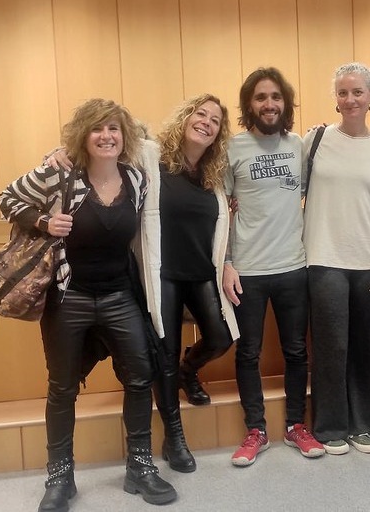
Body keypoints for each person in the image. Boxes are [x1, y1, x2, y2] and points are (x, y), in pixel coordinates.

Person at [46, 94, 239, 473]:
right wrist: (58, 153)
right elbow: (102, 151)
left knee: (221, 336)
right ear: (185, 118)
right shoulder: (150, 156)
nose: (206, 122)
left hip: (201, 272)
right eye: (200, 114)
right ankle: (174, 437)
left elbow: (222, 226)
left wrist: (228, 262)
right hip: (161, 273)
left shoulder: (215, 176)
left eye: (215, 120)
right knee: (162, 355)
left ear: (219, 133)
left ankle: (190, 369)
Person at [0, 99, 177, 512]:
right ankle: (60, 477)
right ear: (83, 135)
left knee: (139, 376)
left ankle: (139, 466)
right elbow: (7, 198)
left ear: (125, 136)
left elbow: (159, 156)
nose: (106, 136)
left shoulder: (136, 178)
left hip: (119, 295)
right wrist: (44, 222)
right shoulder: (61, 174)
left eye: (114, 128)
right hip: (70, 296)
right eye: (97, 129)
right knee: (62, 388)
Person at [222, 67, 324, 466]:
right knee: (247, 352)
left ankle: (297, 425)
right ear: (250, 104)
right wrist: (228, 262)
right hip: (246, 269)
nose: (269, 104)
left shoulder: (298, 145)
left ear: (286, 103)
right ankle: (256, 430)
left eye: (276, 97)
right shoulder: (232, 147)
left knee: (297, 350)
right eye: (261, 97)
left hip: (293, 267)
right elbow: (221, 211)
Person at [303, 62, 370, 455]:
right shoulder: (316, 139)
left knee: (367, 346)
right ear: (336, 98)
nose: (350, 99)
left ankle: (365, 424)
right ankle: (330, 427)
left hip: (369, 262)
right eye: (343, 92)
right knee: (330, 346)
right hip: (322, 258)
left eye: (357, 92)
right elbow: (288, 187)